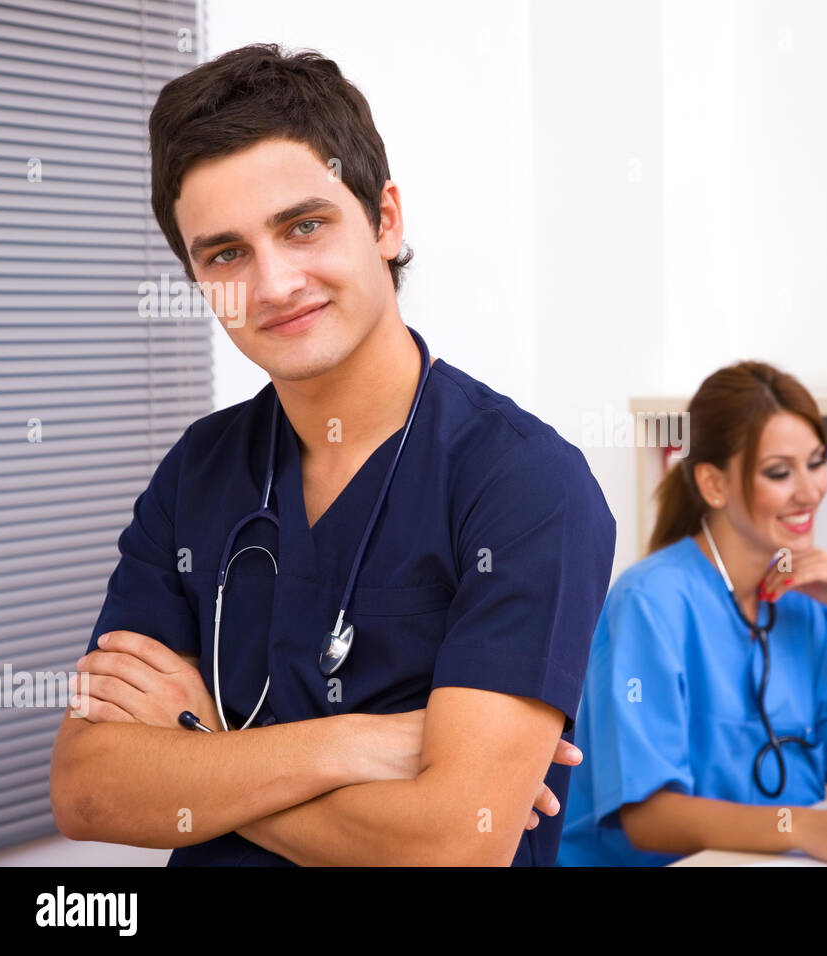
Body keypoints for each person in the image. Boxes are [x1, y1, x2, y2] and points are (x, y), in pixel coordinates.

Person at [49, 44, 616, 866]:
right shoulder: (198, 472)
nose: (274, 283)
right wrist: (355, 745)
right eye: (226, 253)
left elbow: (456, 843)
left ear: (384, 220)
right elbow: (87, 789)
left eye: (304, 226)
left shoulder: (524, 484)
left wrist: (202, 749)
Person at [559, 361, 827, 866]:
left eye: (817, 462)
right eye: (779, 472)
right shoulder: (650, 602)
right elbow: (650, 819)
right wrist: (804, 826)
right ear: (714, 485)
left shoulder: (800, 595)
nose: (809, 491)